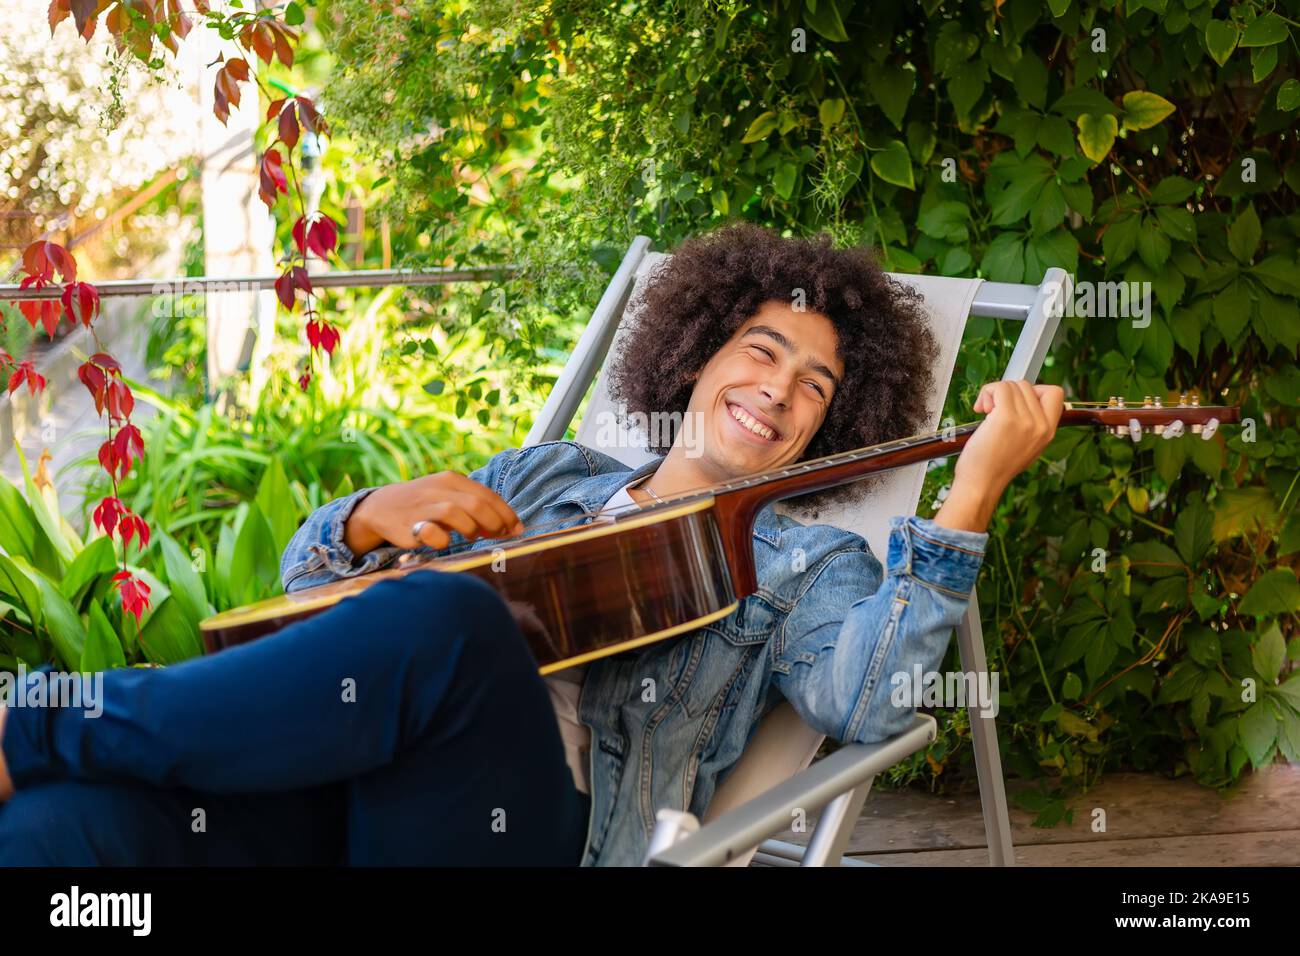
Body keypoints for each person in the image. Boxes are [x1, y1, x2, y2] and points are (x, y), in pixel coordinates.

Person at [0, 222, 1064, 866]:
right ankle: (45, 758)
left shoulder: (798, 563)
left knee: (458, 618)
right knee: (64, 833)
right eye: (760, 350)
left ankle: (31, 723)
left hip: (528, 833)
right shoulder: (543, 476)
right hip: (352, 800)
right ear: (695, 356)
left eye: (814, 388)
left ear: (827, 427)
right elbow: (312, 605)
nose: (776, 391)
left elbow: (870, 697)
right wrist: (364, 517)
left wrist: (967, 493)